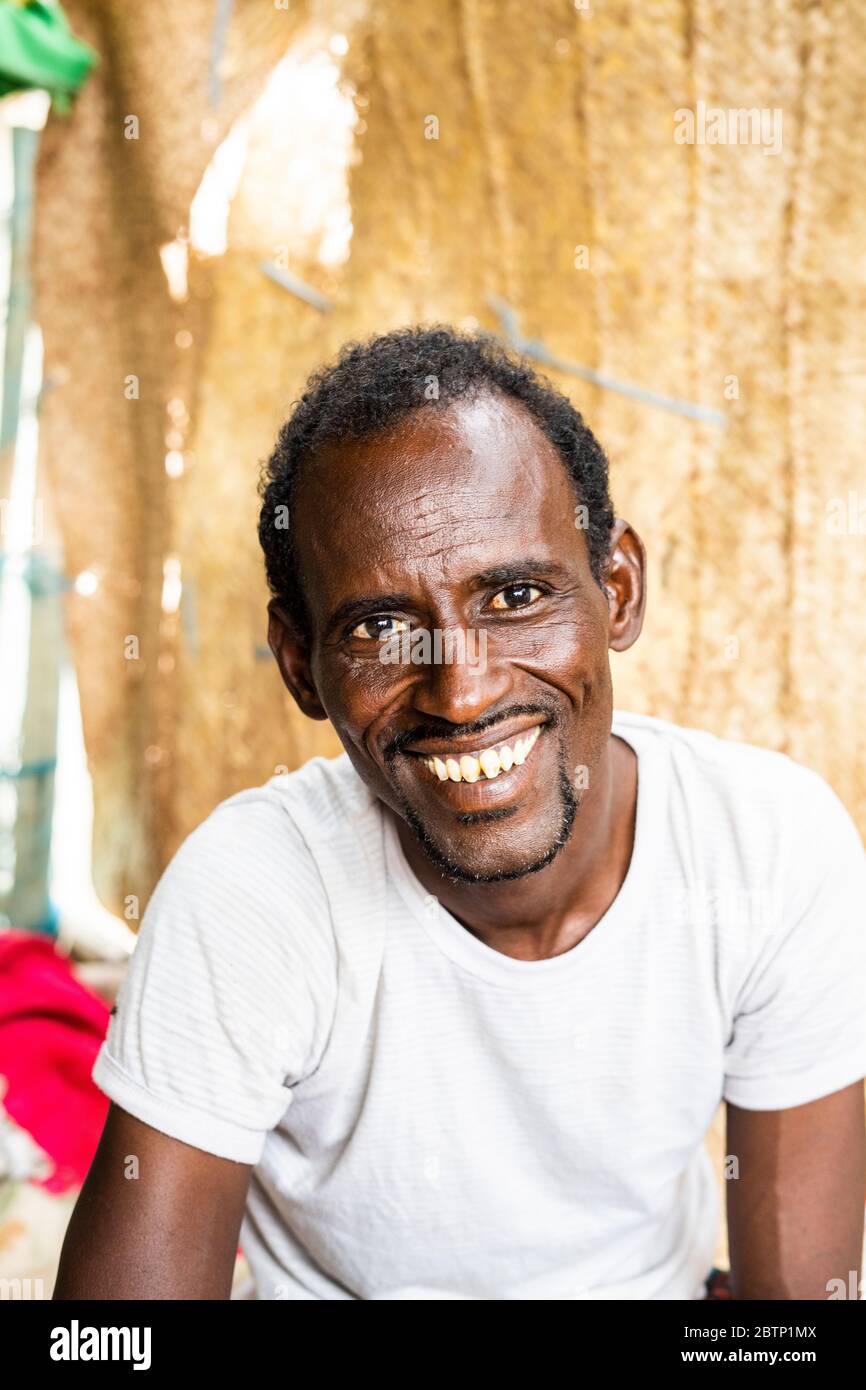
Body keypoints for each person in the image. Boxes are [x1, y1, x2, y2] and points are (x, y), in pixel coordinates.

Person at [54, 326, 866, 1301]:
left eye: (515, 595)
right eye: (379, 628)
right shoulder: (254, 894)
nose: (463, 691)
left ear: (616, 590)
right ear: (300, 666)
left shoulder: (767, 847)